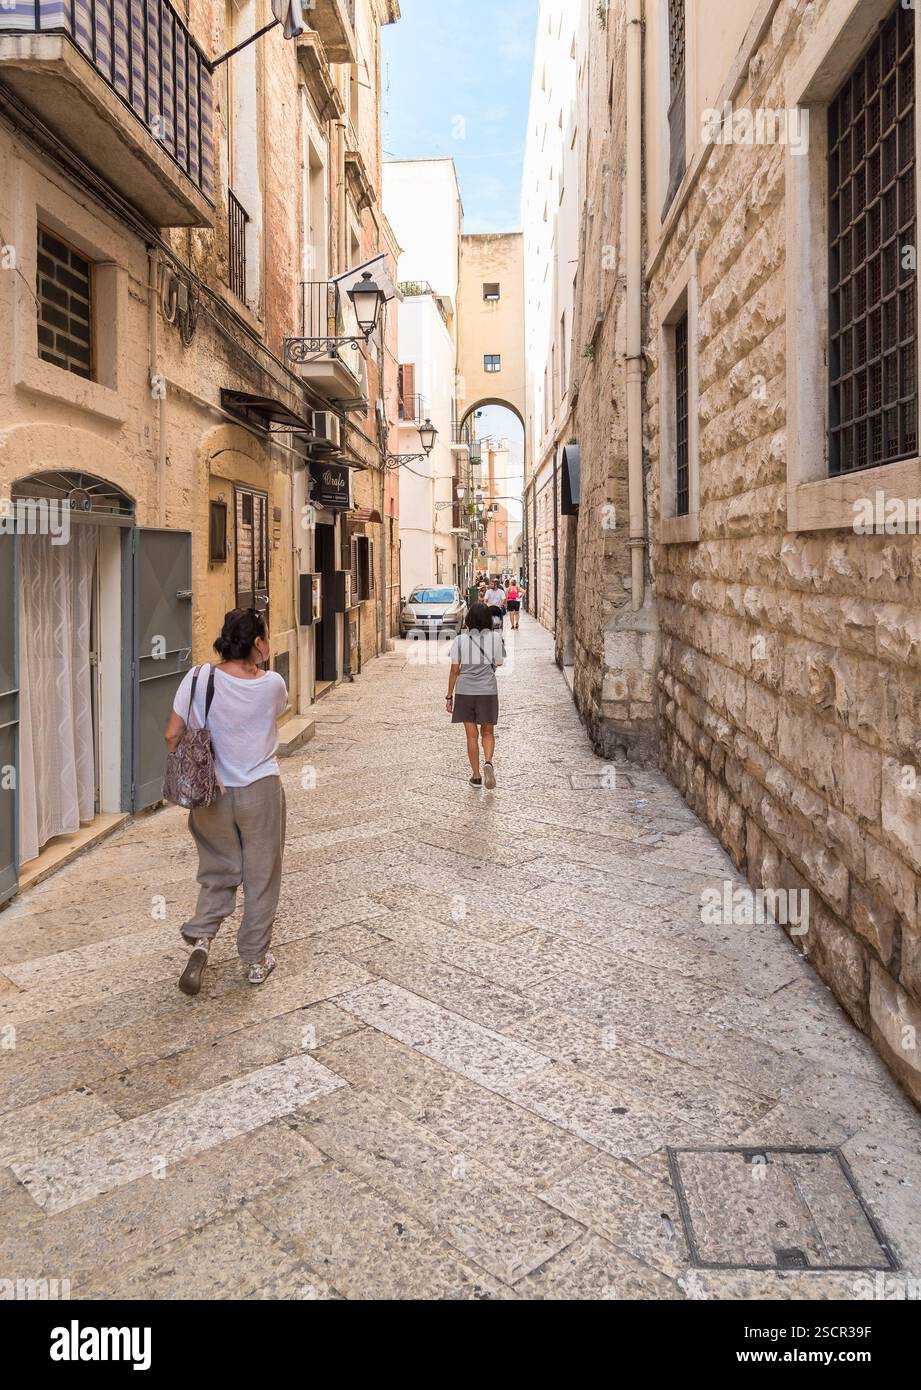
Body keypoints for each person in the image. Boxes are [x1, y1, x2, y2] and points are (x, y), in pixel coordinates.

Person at [164, 608, 288, 996]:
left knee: (218, 868)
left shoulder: (198, 677)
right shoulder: (272, 684)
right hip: (260, 789)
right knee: (261, 873)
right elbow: (276, 715)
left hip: (210, 792)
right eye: (265, 636)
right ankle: (254, 960)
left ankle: (202, 940)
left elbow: (172, 735)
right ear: (256, 643)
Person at [446, 602, 505, 789]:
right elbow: (499, 663)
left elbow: (455, 669)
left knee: (471, 736)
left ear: (469, 619)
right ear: (488, 619)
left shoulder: (460, 640)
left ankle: (477, 776)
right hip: (487, 690)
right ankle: (488, 762)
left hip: (465, 691)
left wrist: (449, 696)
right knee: (487, 732)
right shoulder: (496, 638)